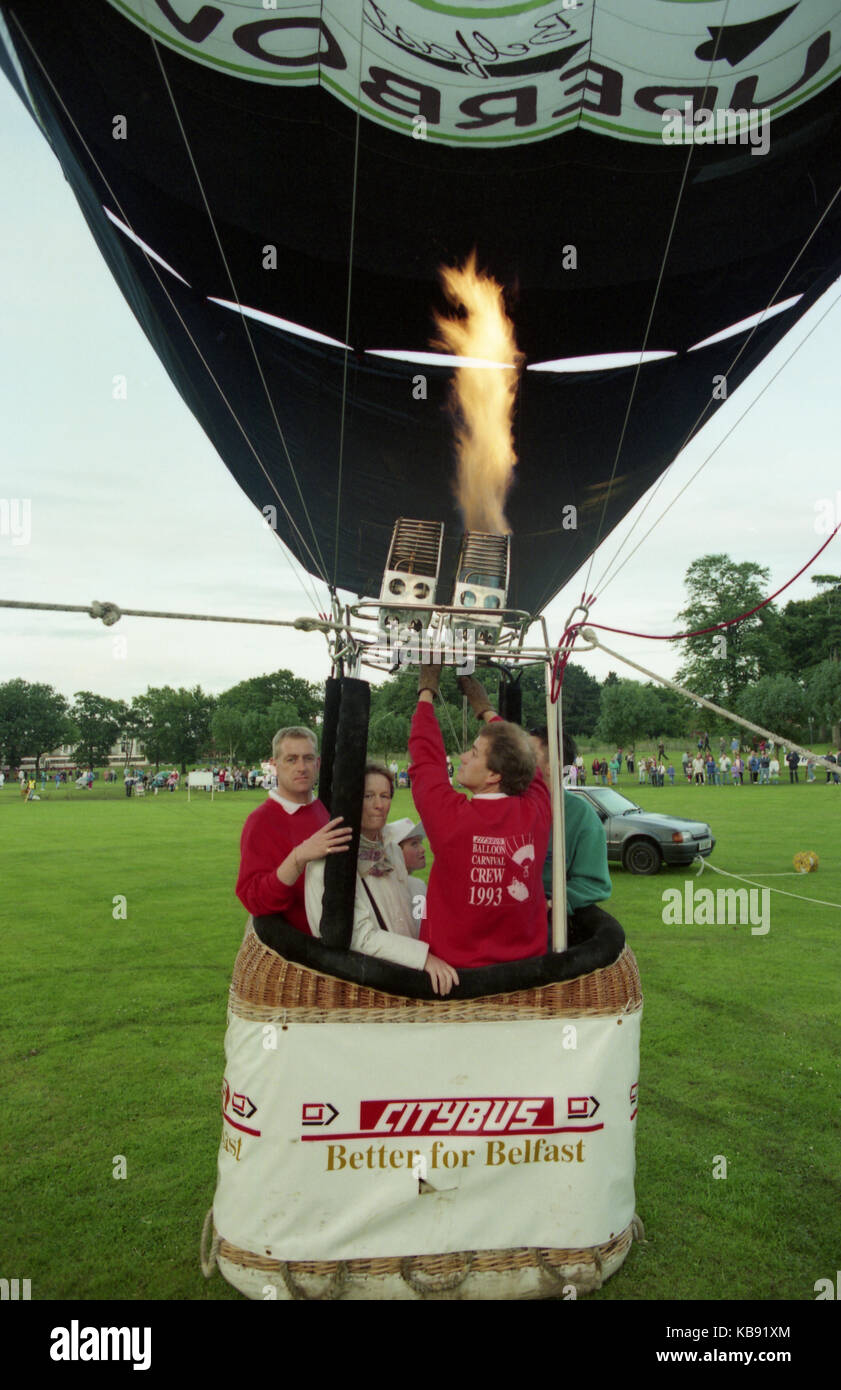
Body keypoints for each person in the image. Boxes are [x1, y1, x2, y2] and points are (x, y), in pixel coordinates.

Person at [408, 670, 550, 969]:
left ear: (494, 775)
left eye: (473, 753)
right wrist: (487, 711)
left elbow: (426, 760)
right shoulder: (538, 812)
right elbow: (532, 767)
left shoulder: (450, 818)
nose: (462, 757)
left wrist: (426, 694)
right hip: (526, 970)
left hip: (456, 974)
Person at [306, 766, 457, 994]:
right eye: (368, 796)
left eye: (384, 796)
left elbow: (406, 914)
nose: (379, 805)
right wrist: (422, 957)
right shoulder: (331, 861)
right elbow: (358, 937)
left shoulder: (391, 850)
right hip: (364, 987)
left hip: (403, 978)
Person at [236, 725, 351, 936]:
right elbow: (254, 900)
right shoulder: (261, 821)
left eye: (308, 758)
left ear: (318, 764)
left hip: (334, 943)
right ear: (275, 765)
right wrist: (298, 858)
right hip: (297, 954)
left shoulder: (321, 809)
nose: (301, 767)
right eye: (291, 759)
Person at [528, 727, 612, 914]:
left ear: (553, 766)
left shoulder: (581, 816)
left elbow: (592, 884)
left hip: (546, 921)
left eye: (527, 753)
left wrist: (550, 904)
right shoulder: (504, 805)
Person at [383, 817, 428, 914]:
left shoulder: (418, 885)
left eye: (420, 843)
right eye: (414, 844)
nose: (423, 849)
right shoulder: (417, 885)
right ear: (395, 850)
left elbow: (421, 924)